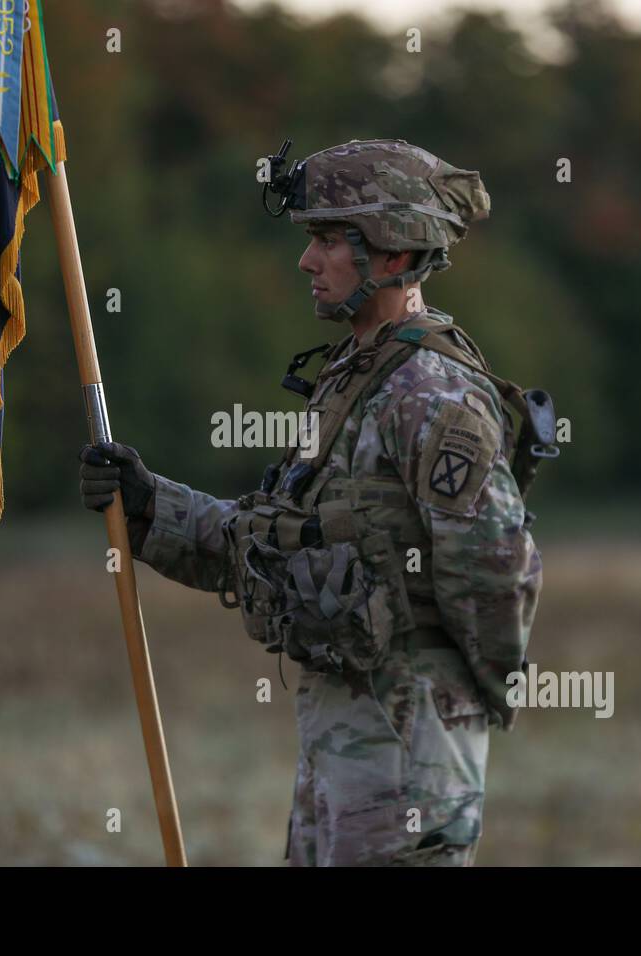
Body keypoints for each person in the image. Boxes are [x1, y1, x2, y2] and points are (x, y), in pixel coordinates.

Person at [80, 139, 551, 866]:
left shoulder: (431, 391)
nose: (308, 261)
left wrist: (453, 712)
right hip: (342, 738)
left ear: (393, 255)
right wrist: (151, 508)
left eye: (331, 240)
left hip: (406, 754)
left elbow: (495, 570)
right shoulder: (352, 379)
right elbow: (277, 542)